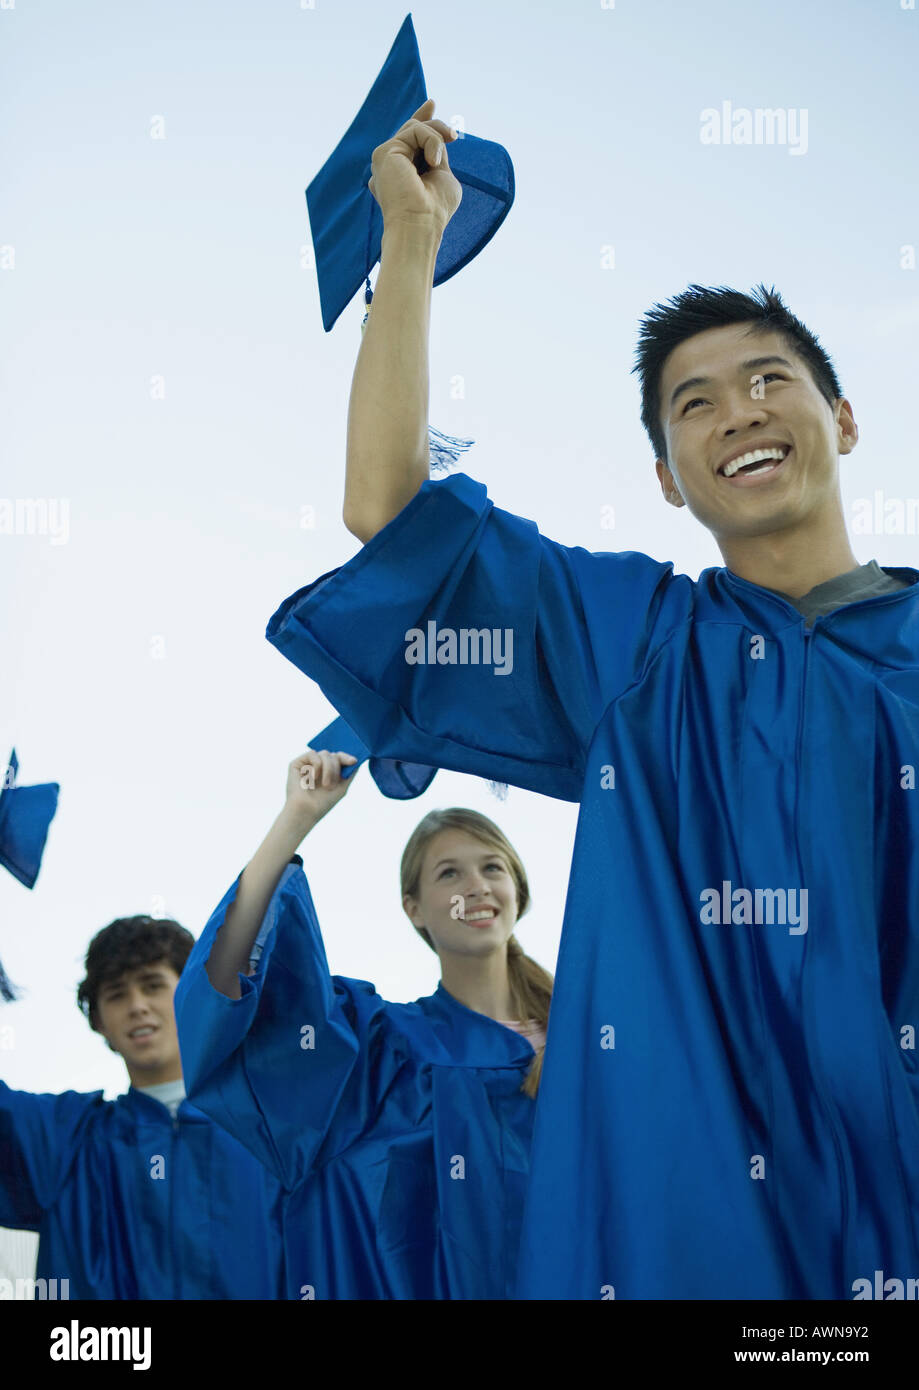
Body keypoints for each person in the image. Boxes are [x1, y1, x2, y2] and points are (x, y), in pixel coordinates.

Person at [261, 100, 919, 1299]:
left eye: (769, 379)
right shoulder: (636, 643)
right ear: (668, 481)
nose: (740, 413)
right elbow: (390, 514)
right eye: (695, 404)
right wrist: (409, 243)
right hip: (715, 1247)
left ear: (843, 417)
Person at [174, 746, 551, 1300]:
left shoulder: (590, 1041)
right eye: (449, 873)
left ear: (517, 890)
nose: (475, 886)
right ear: (414, 909)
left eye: (491, 867)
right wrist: (296, 818)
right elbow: (225, 993)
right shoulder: (379, 1051)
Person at [0, 914, 284, 1299]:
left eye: (153, 986)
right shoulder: (62, 1141)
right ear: (98, 1020)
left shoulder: (273, 1138)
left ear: (193, 997)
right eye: (117, 994)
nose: (137, 1006)